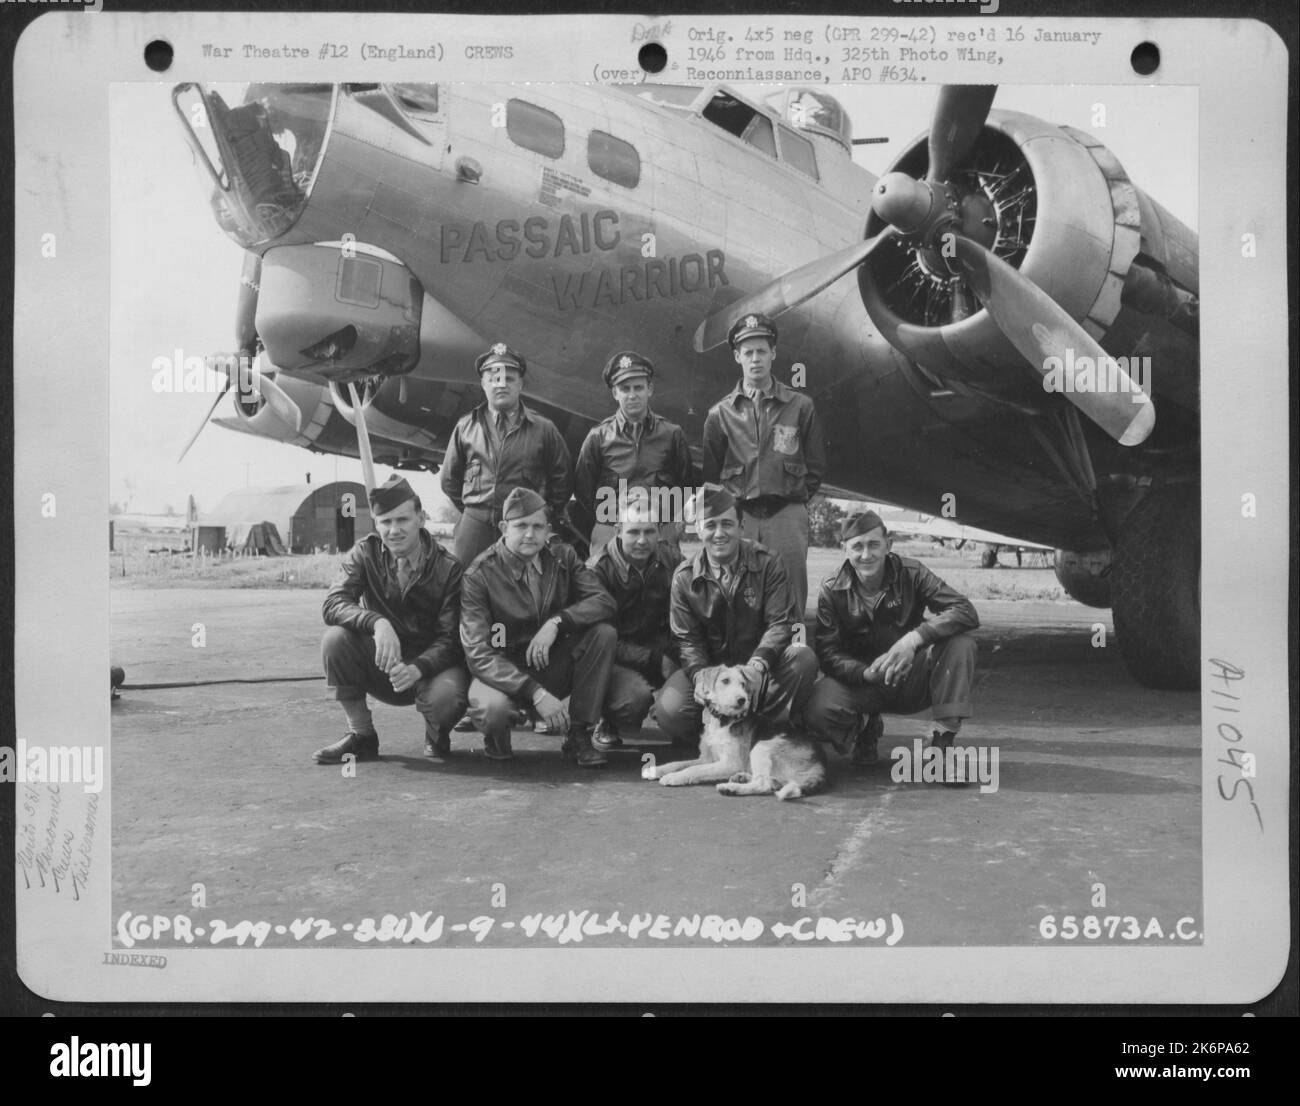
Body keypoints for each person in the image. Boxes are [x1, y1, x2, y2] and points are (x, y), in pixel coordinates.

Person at [802, 510, 980, 775]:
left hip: (911, 675)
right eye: (857, 546)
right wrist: (863, 673)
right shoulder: (831, 587)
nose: (866, 554)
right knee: (816, 708)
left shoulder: (912, 572)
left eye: (874, 544)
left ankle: (942, 745)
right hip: (864, 682)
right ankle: (864, 728)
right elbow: (828, 652)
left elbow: (964, 610)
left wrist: (913, 639)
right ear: (844, 549)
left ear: (889, 544)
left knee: (960, 644)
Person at [458, 487, 619, 767]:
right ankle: (497, 735)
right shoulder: (479, 574)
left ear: (548, 530)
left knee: (602, 634)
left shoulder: (562, 557)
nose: (530, 534)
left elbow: (603, 601)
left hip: (547, 663)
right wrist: (535, 692)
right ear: (503, 528)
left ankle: (579, 734)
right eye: (521, 526)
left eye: (537, 526)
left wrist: (558, 622)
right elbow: (478, 653)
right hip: (502, 673)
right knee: (492, 709)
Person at [314, 475, 469, 763]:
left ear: (420, 519)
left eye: (403, 520)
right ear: (376, 524)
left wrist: (419, 667)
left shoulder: (449, 569)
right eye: (385, 522)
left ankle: (437, 735)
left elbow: (452, 639)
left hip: (433, 670)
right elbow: (333, 603)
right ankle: (362, 737)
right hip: (386, 665)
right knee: (335, 640)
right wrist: (376, 622)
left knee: (446, 698)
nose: (394, 530)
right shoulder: (365, 553)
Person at [654, 484, 818, 749]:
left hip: (759, 669)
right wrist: (700, 677)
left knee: (802, 657)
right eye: (710, 525)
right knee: (670, 712)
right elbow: (686, 640)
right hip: (714, 673)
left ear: (741, 528)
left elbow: (781, 623)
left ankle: (766, 731)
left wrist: (757, 666)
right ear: (698, 530)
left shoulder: (769, 563)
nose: (719, 534)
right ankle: (716, 736)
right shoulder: (684, 577)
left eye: (727, 524)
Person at [701, 312, 827, 617]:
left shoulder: (800, 406)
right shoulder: (719, 414)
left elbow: (816, 468)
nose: (755, 359)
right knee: (739, 592)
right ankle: (743, 661)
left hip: (787, 514)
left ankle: (797, 658)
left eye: (761, 351)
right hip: (741, 517)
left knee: (792, 593)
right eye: (748, 353)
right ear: (737, 357)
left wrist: (791, 499)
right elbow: (710, 478)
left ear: (773, 354)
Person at [439, 342, 574, 569]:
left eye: (509, 379)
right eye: (493, 378)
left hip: (524, 527)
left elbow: (563, 480)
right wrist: (474, 513)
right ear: (483, 383)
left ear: (521, 384)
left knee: (524, 594)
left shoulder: (544, 429)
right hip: (476, 529)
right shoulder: (465, 428)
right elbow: (449, 480)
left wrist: (539, 514)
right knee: (467, 590)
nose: (501, 384)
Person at [573, 350, 697, 558]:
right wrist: (611, 518)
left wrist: (667, 522)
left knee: (667, 584)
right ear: (615, 393)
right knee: (602, 582)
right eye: (624, 388)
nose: (632, 395)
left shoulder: (671, 434)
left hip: (661, 528)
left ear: (649, 389)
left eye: (638, 387)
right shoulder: (598, 437)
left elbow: (687, 485)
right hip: (611, 528)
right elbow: (584, 491)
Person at [589, 496, 683, 749]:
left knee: (683, 708)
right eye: (634, 532)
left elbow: (686, 617)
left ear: (660, 532)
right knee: (633, 700)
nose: (642, 540)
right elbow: (598, 639)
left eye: (649, 531)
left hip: (664, 652)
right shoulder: (598, 571)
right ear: (618, 530)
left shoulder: (673, 560)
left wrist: (675, 654)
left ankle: (684, 723)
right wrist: (653, 659)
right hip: (615, 658)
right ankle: (607, 719)